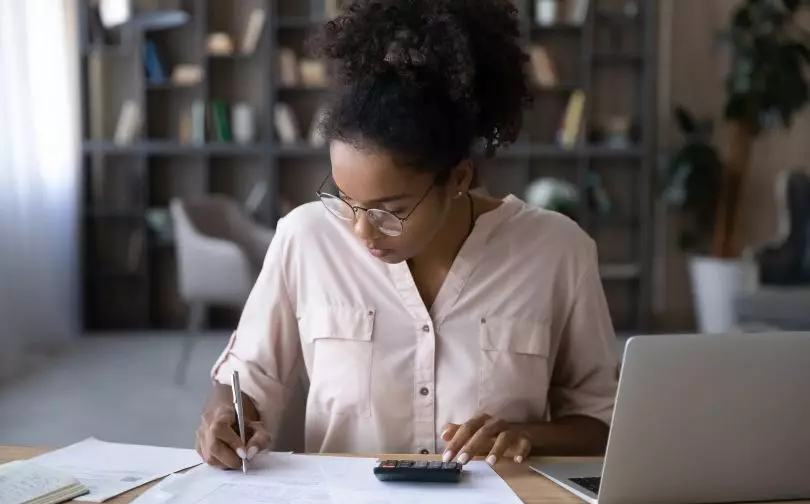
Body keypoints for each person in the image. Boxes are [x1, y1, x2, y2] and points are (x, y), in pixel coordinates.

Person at [195, 0, 619, 470]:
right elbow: (246, 380)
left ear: (457, 179)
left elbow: (601, 421)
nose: (361, 229)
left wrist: (526, 436)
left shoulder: (557, 251)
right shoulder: (306, 239)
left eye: (390, 210)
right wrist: (225, 418)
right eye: (346, 199)